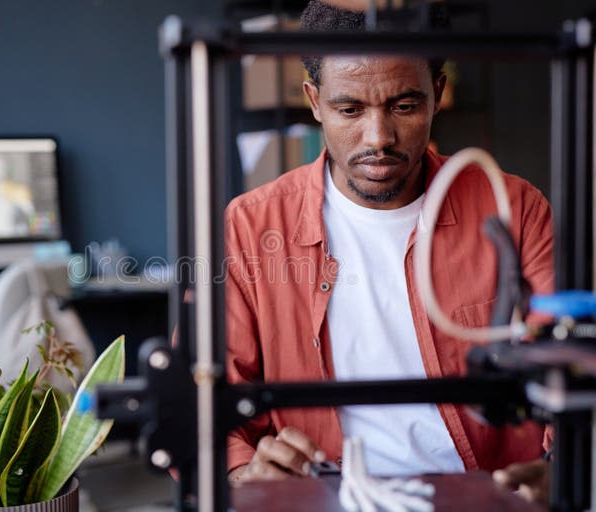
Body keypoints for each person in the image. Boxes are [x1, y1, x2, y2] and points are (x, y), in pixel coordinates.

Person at [224, 0, 552, 504]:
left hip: (483, 494)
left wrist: (560, 466)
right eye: (349, 109)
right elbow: (208, 404)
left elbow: (568, 369)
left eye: (404, 106)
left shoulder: (514, 209)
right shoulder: (250, 228)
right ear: (314, 101)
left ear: (437, 94)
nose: (379, 138)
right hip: (325, 497)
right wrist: (243, 470)